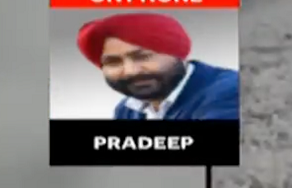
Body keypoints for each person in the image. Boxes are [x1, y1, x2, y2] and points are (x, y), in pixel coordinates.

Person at [76, 12, 239, 120]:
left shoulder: (230, 91)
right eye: (113, 62)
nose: (131, 71)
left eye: (143, 57)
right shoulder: (128, 110)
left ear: (178, 53)